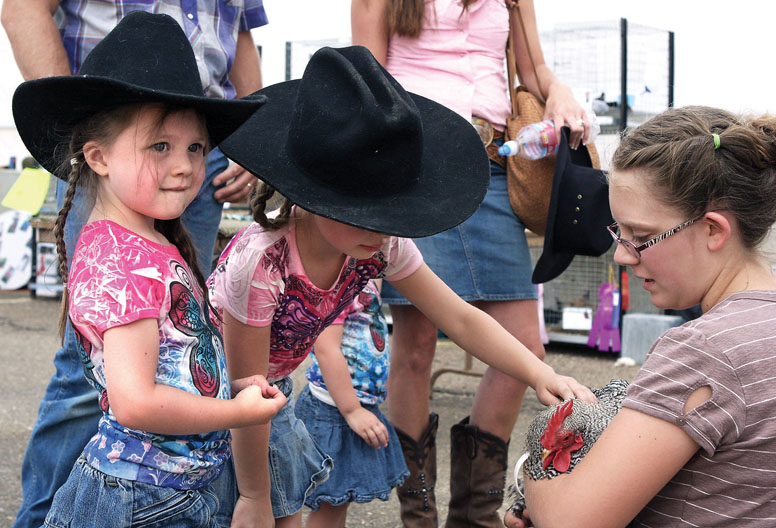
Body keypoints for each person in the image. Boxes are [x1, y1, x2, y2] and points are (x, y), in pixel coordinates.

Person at [207, 45, 595, 527]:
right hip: (212, 398)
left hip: (269, 395)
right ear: (311, 196)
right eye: (367, 213)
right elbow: (245, 387)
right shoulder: (261, 263)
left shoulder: (379, 245)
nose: (385, 227)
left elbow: (458, 316)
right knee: (247, 508)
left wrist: (541, 374)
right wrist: (254, 494)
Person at [10, 12, 285, 527]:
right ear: (98, 158)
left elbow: (173, 358)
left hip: (171, 490)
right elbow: (135, 404)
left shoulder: (150, 240)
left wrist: (229, 385)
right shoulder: (123, 261)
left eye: (196, 148)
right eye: (160, 146)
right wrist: (236, 413)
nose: (184, 166)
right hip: (140, 503)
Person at [350, 0, 592, 524]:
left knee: (525, 345)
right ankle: (418, 514)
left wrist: (562, 92)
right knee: (415, 345)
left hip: (494, 167)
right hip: (419, 165)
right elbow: (365, 79)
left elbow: (534, 71)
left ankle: (473, 515)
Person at [504, 105, 776, 528]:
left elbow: (572, 522)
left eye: (640, 236)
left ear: (714, 230)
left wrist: (534, 469)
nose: (621, 254)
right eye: (618, 232)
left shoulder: (702, 350)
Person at [294, 278, 409, 527]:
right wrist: (352, 410)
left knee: (340, 499)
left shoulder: (365, 271)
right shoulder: (334, 284)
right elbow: (326, 349)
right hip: (333, 408)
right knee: (330, 503)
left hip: (355, 405)